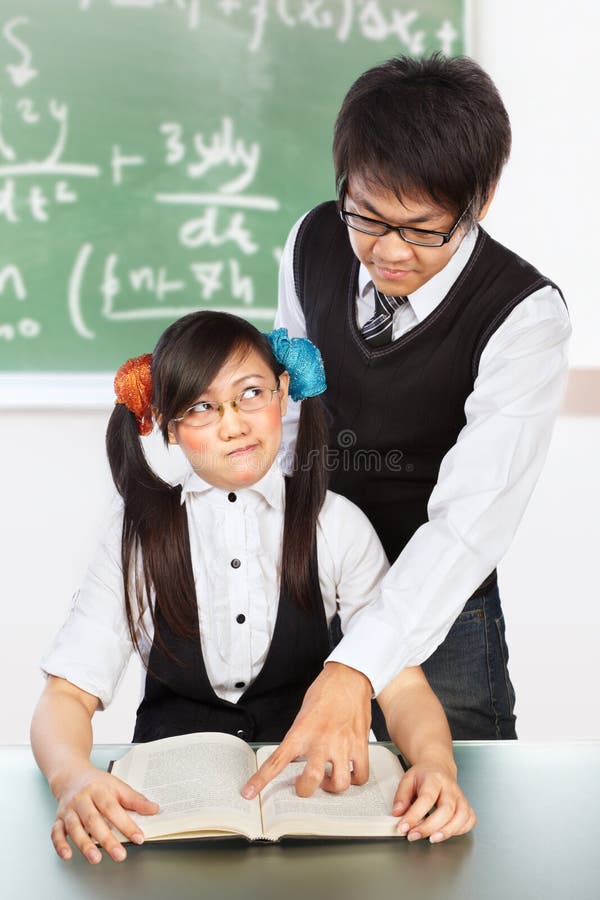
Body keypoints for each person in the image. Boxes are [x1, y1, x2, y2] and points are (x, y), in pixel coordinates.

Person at [31, 310, 475, 864]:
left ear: (284, 393)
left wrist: (436, 765)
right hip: (166, 823)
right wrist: (72, 777)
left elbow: (403, 687)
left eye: (250, 394)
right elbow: (66, 695)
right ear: (166, 424)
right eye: (200, 407)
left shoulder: (334, 523)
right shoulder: (138, 536)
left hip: (310, 812)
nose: (233, 424)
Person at [243, 53, 571, 798]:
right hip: (315, 582)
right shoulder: (313, 241)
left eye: (421, 229)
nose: (388, 250)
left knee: (456, 812)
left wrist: (358, 662)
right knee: (299, 805)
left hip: (445, 610)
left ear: (479, 201)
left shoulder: (523, 316)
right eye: (368, 216)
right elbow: (293, 422)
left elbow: (470, 523)